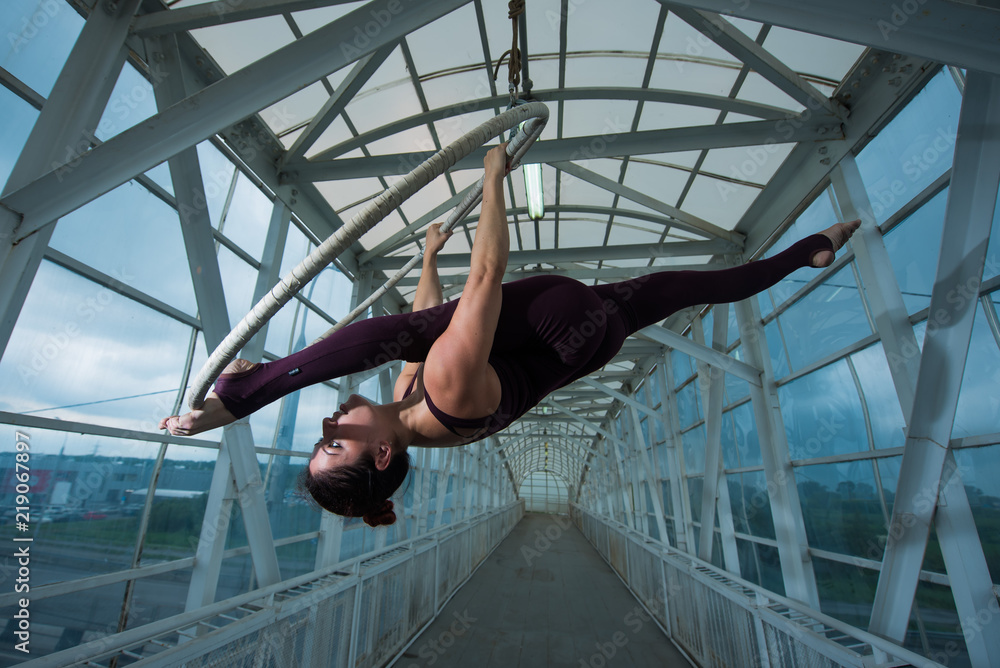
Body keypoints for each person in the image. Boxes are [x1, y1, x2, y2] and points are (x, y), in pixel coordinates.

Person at [160, 143, 860, 527]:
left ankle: (809, 251)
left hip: (587, 334)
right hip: (560, 321)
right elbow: (490, 273)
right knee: (399, 332)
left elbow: (428, 321)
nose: (329, 421)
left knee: (694, 285)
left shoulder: (413, 413)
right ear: (378, 455)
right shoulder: (445, 393)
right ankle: (249, 392)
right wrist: (494, 178)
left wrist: (429, 258)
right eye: (332, 442)